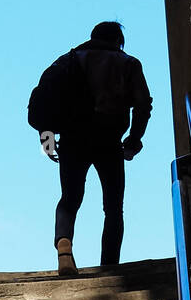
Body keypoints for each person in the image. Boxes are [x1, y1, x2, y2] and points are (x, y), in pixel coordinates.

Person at [29, 21, 152, 277]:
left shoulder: (67, 60)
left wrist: (47, 136)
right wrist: (134, 140)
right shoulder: (129, 63)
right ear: (118, 41)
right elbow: (143, 105)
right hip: (109, 140)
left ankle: (65, 250)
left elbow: (44, 98)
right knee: (114, 207)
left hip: (74, 138)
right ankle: (109, 267)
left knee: (70, 199)